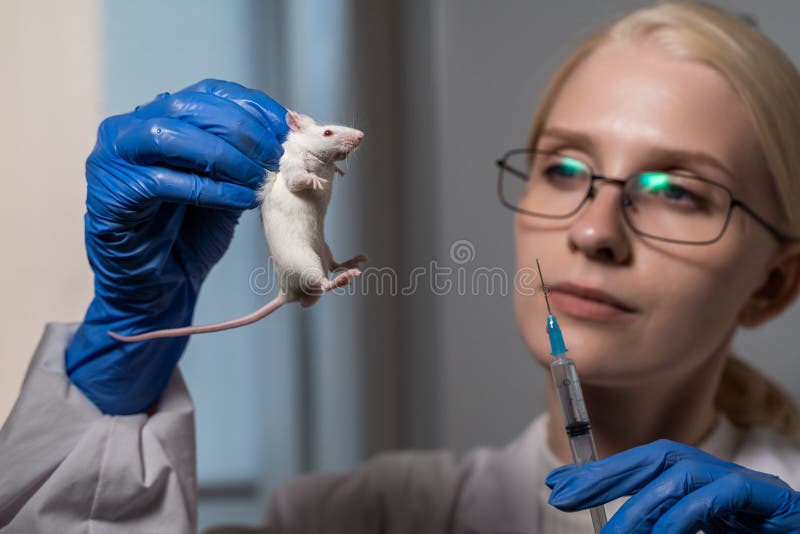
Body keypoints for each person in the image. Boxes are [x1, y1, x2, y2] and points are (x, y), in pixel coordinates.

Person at [2, 1, 800, 532]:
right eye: (563, 169)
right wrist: (122, 357)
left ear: (773, 282)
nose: (593, 231)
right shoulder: (347, 518)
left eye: (678, 192)